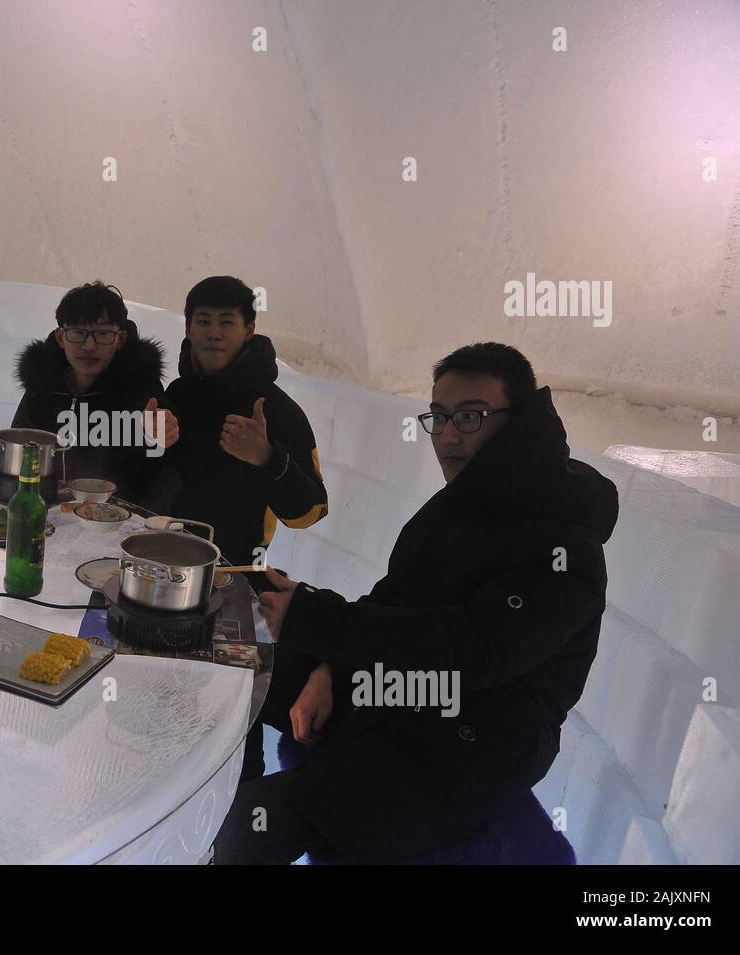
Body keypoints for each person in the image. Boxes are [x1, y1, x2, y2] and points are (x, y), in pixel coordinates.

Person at [214, 342, 619, 864]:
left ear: (520, 420)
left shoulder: (566, 544)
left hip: (474, 740)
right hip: (402, 690)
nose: (448, 436)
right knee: (243, 659)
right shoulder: (465, 502)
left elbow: (474, 649)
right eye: (441, 417)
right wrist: (331, 668)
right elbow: (396, 601)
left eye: (470, 417)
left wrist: (318, 621)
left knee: (255, 822)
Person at [148, 276, 327, 566]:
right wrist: (147, 441)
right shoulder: (177, 395)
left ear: (249, 331)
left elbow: (311, 512)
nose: (214, 333)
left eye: (227, 322)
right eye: (204, 321)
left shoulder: (277, 410)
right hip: (158, 558)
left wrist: (269, 459)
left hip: (235, 574)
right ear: (188, 329)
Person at [12, 281, 177, 503]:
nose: (89, 346)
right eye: (78, 332)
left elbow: (160, 436)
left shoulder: (140, 391)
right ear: (61, 337)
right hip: (48, 513)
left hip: (118, 523)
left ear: (120, 339)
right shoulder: (41, 388)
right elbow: (20, 449)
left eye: (102, 333)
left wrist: (161, 431)